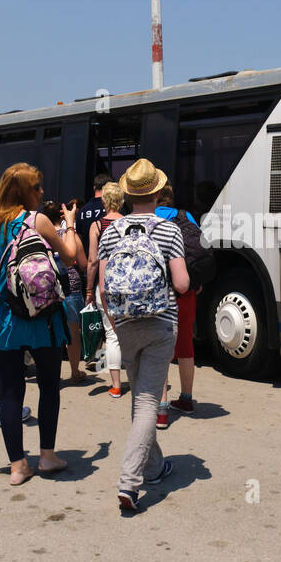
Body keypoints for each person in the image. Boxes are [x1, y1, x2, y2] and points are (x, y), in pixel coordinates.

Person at [0, 163, 78, 485]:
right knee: (48, 386)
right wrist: (69, 226)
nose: (42, 193)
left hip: (3, 318)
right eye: (37, 188)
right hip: (41, 315)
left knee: (10, 393)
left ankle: (17, 465)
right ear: (23, 191)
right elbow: (70, 258)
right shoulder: (38, 220)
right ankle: (47, 455)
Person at [97, 159, 189, 512]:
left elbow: (104, 288)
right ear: (156, 192)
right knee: (150, 400)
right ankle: (129, 483)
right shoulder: (168, 230)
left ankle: (152, 467)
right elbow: (180, 283)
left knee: (141, 399)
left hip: (124, 324)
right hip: (160, 323)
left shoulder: (110, 232)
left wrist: (116, 322)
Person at [153, 184, 201, 418]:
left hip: (158, 292)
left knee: (159, 348)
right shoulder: (186, 216)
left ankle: (161, 410)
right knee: (185, 345)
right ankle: (186, 399)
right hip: (186, 291)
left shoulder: (149, 218)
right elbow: (198, 250)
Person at [86, 181, 126, 396]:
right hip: (130, 285)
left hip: (107, 285)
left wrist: (89, 290)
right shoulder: (130, 223)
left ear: (104, 200)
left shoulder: (98, 225)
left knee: (112, 335)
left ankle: (116, 385)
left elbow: (93, 260)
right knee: (132, 333)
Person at [46, 199, 88, 383]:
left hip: (49, 288)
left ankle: (50, 373)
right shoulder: (71, 235)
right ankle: (74, 371)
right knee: (73, 331)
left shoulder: (41, 235)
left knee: (50, 331)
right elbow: (84, 263)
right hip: (72, 287)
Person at [75, 172, 111, 252]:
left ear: (94, 188)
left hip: (88, 258)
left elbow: (79, 240)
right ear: (109, 188)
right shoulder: (113, 208)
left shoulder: (82, 211)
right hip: (109, 258)